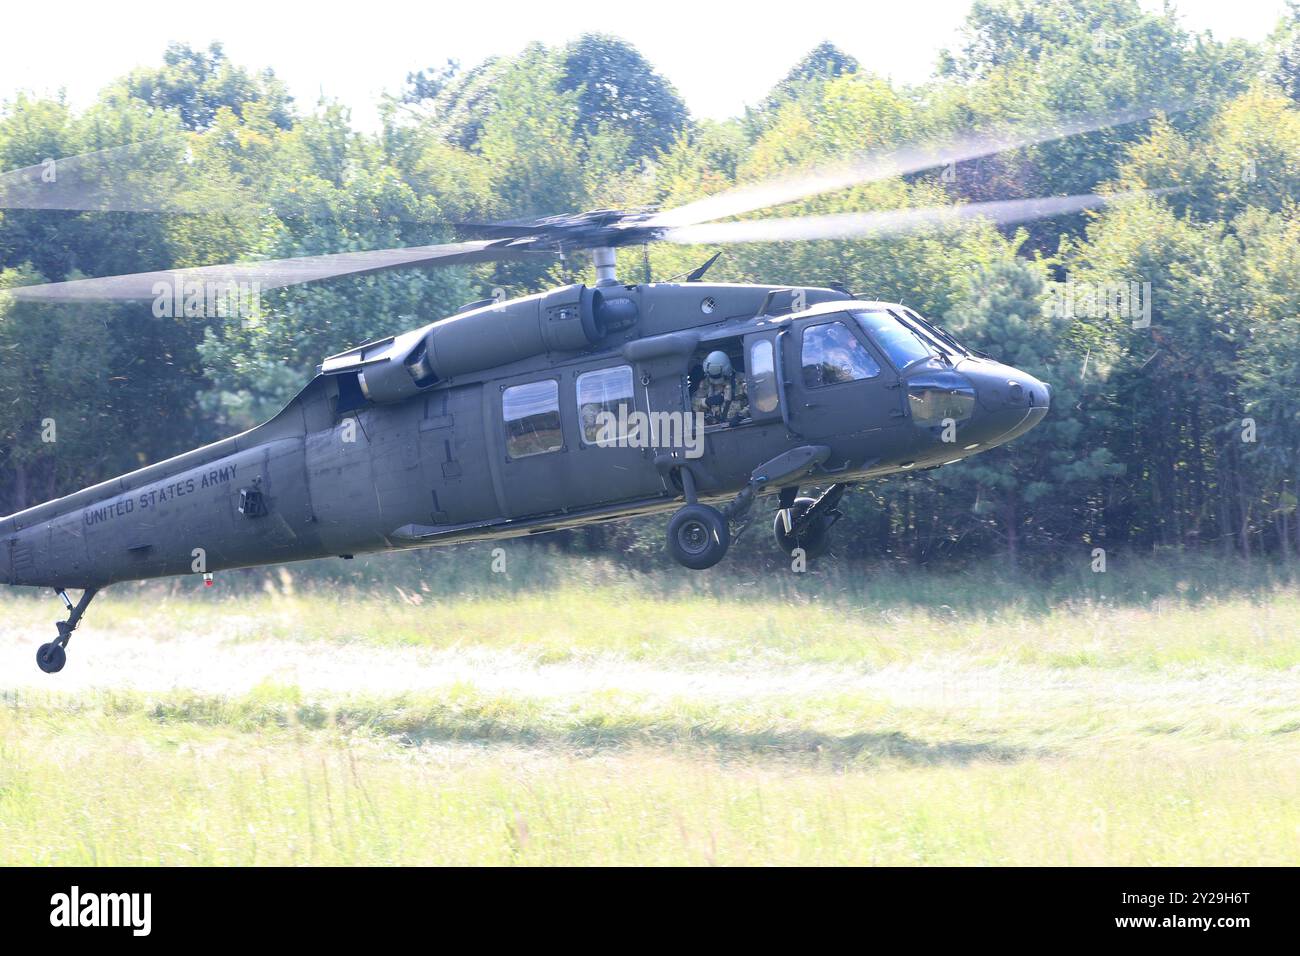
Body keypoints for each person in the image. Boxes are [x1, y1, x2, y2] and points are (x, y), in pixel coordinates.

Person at [692, 350, 749, 426]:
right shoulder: (705, 384)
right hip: (717, 428)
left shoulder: (742, 380)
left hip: (742, 426)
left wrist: (741, 415)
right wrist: (706, 402)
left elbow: (758, 402)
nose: (716, 382)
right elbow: (693, 404)